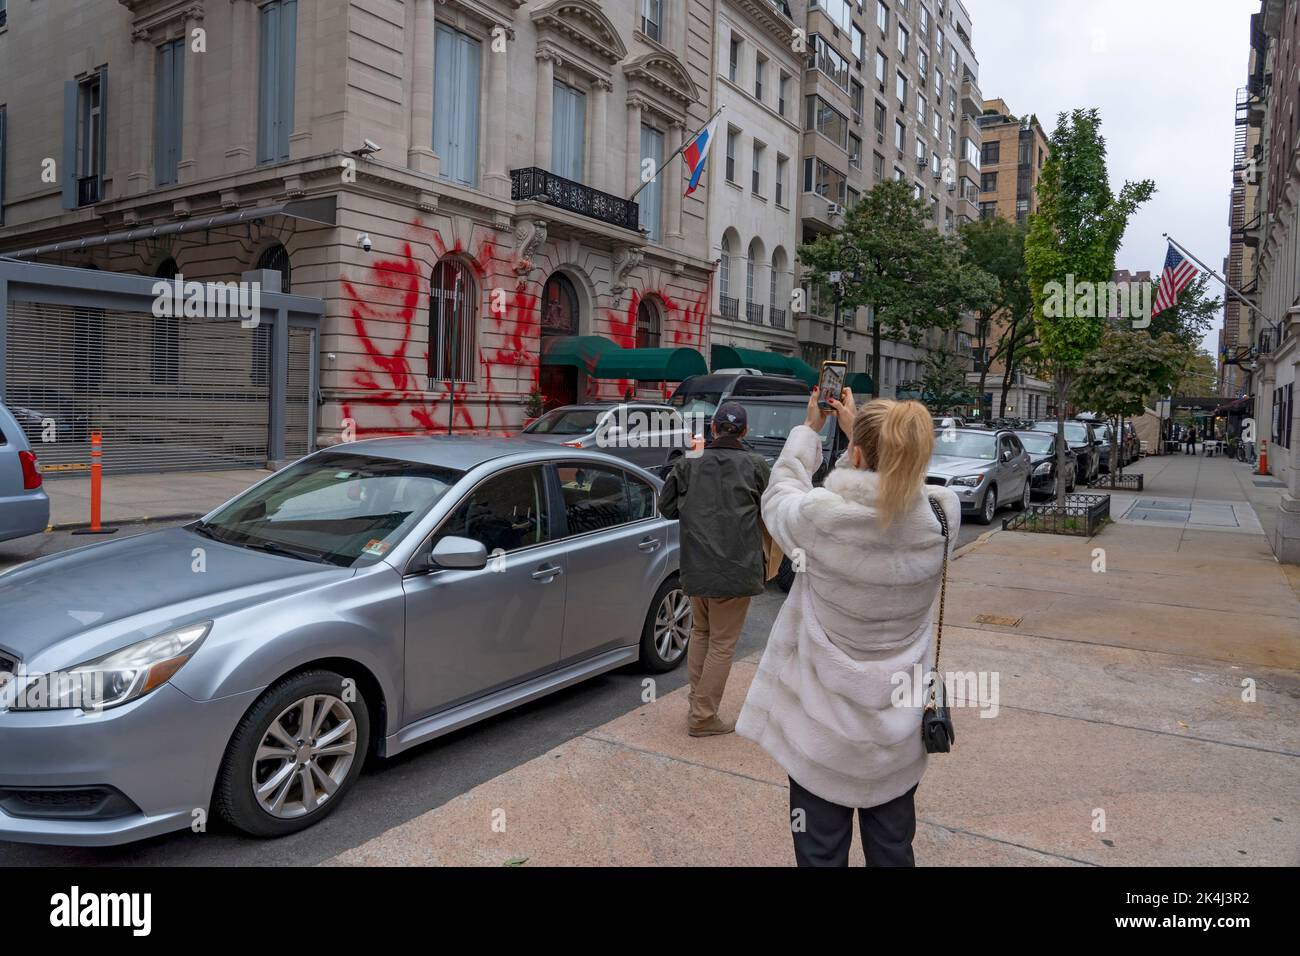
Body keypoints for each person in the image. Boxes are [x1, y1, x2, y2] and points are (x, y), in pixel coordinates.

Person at [737, 389, 959, 866]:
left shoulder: (822, 519)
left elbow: (780, 494)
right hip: (897, 739)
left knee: (820, 855)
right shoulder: (943, 517)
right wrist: (863, 437)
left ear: (856, 453)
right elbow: (899, 489)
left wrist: (810, 430)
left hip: (823, 739)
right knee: (893, 851)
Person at [658, 401, 771, 737]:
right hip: (737, 570)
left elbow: (666, 508)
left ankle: (697, 704)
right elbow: (776, 510)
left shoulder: (688, 464)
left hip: (695, 568)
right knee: (721, 644)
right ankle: (703, 717)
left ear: (712, 429)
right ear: (746, 431)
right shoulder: (756, 465)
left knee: (701, 634)